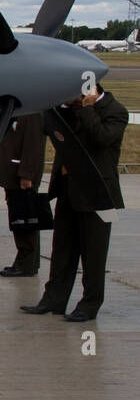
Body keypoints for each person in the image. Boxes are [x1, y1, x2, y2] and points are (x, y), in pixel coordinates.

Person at [20, 84, 126, 321]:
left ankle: (89, 305)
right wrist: (62, 105)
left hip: (98, 196)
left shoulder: (116, 111)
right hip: (68, 191)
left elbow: (101, 138)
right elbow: (49, 126)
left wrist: (87, 109)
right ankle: (53, 300)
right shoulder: (71, 110)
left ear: (90, 92)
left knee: (94, 255)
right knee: (62, 251)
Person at [0, 112, 45, 277]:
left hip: (21, 178)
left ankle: (26, 264)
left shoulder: (32, 113)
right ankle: (28, 262)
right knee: (23, 221)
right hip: (13, 176)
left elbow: (34, 145)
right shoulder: (20, 111)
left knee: (25, 221)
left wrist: (26, 174)